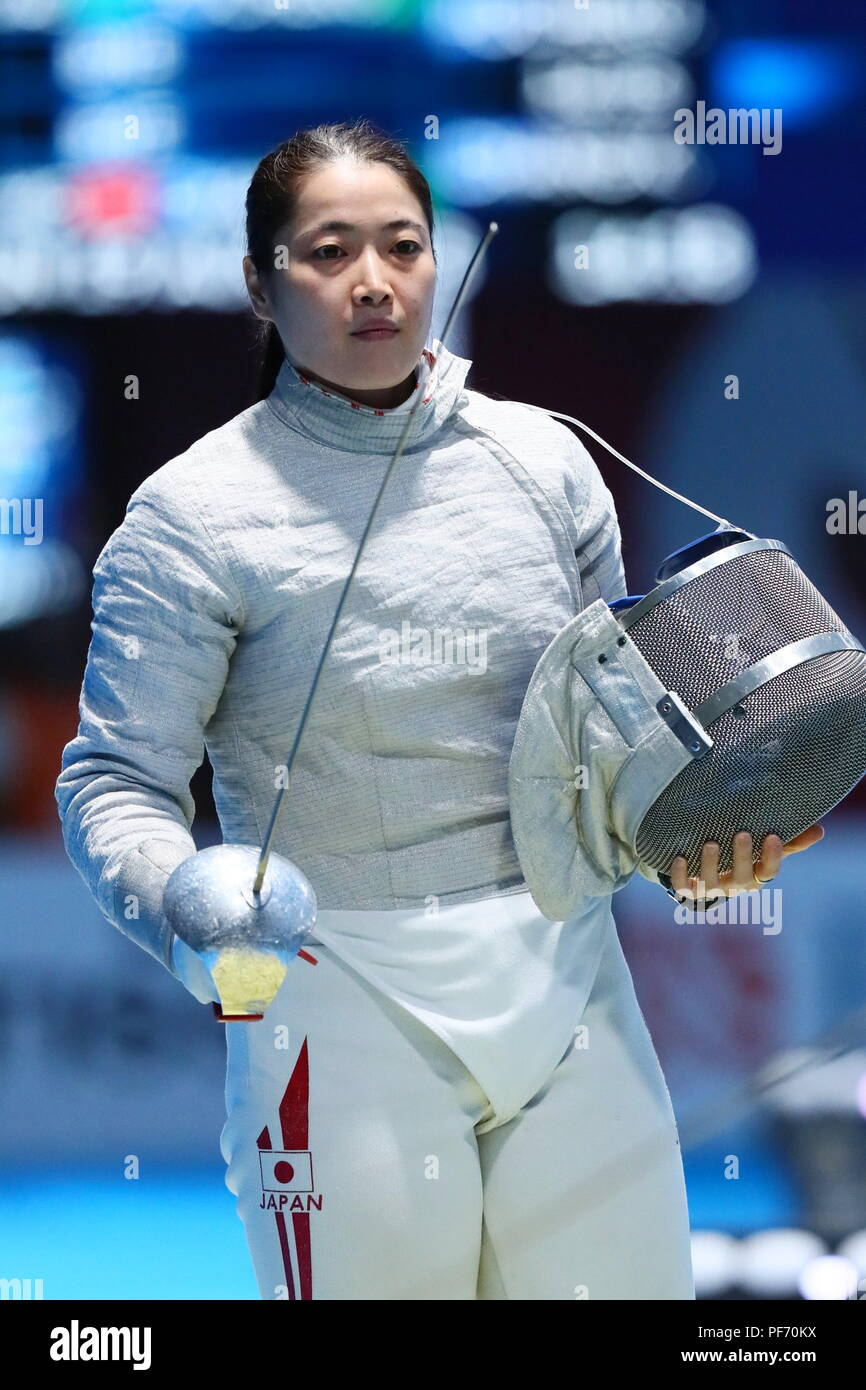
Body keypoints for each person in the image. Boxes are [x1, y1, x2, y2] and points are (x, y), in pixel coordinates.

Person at [55, 118, 823, 1301]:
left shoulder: (547, 463)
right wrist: (190, 907)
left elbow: (601, 749)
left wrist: (688, 845)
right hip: (336, 990)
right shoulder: (192, 516)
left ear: (434, 262)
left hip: (565, 980)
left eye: (401, 246)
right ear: (260, 282)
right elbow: (113, 778)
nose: (371, 281)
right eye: (326, 251)